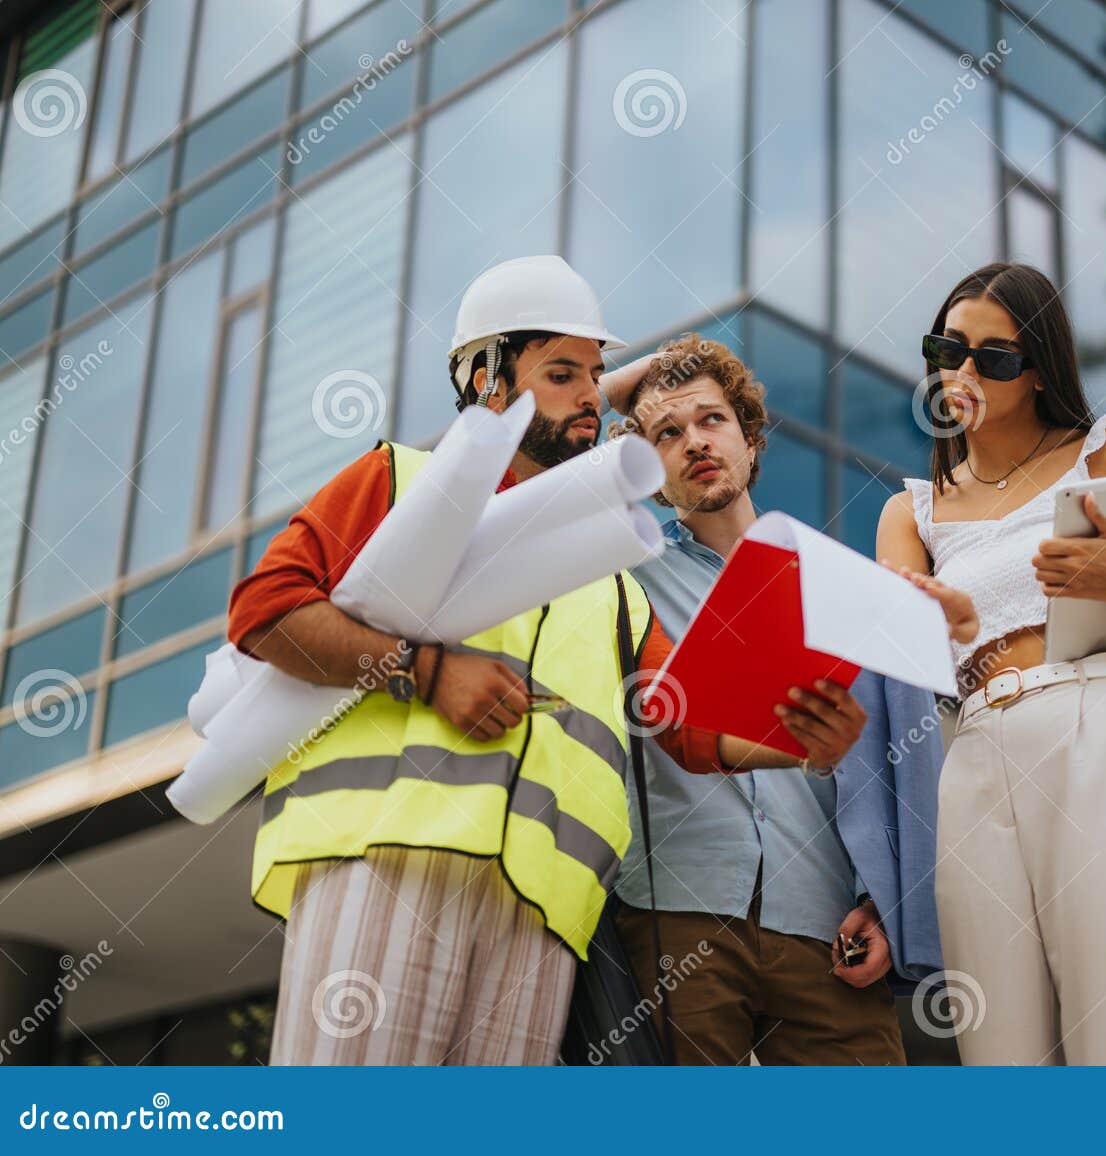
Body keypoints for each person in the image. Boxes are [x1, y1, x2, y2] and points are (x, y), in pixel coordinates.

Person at [231, 257, 865, 1065]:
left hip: (540, 910)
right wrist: (428, 673)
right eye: (562, 374)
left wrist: (808, 742)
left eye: (597, 377)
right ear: (487, 379)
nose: (589, 400)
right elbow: (266, 609)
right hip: (390, 866)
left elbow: (693, 732)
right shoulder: (401, 481)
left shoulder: (606, 572)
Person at [876, 262, 1106, 1065]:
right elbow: (891, 669)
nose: (963, 373)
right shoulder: (910, 511)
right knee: (1002, 1050)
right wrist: (929, 627)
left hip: (1101, 726)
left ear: (1037, 374)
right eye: (948, 348)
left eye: (995, 358)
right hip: (976, 755)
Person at [600, 335, 944, 1065]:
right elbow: (536, 482)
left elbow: (897, 768)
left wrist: (887, 901)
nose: (693, 442)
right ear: (650, 475)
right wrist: (621, 387)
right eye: (666, 434)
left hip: (824, 926)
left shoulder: (838, 587)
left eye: (710, 421)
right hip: (677, 911)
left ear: (751, 442)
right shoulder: (624, 574)